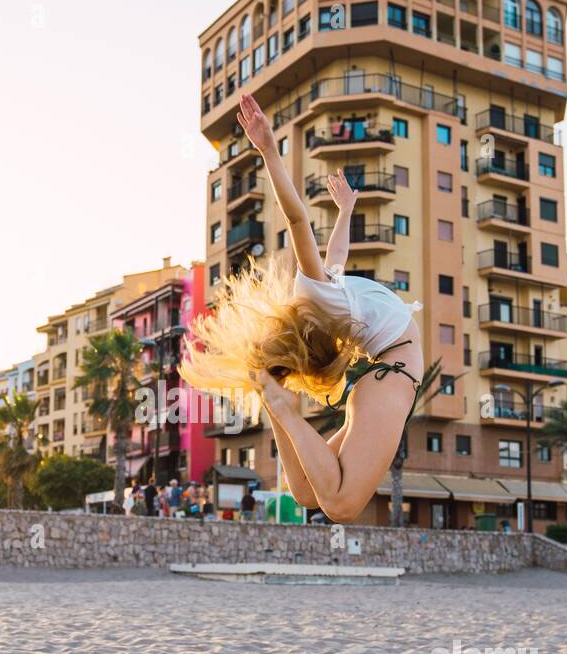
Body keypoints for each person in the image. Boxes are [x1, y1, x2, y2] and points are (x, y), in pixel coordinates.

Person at [179, 92, 426, 526]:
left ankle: (279, 408)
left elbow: (336, 253)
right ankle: (284, 409)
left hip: (388, 377)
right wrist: (269, 151)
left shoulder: (328, 297)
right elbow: (296, 221)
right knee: (342, 505)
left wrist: (346, 210)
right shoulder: (314, 296)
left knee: (309, 493)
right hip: (392, 374)